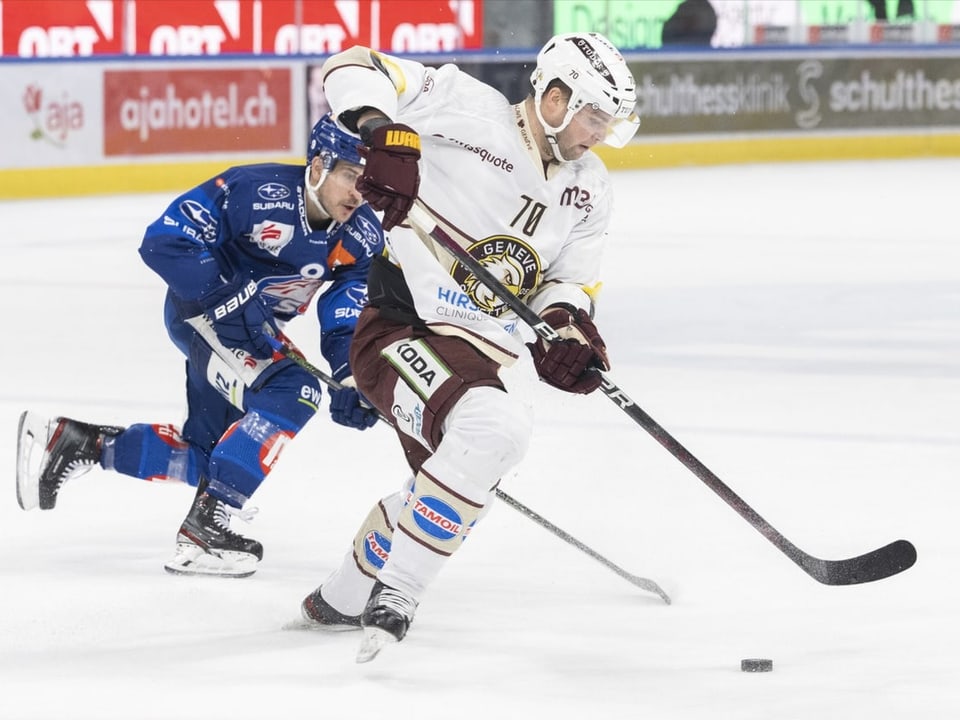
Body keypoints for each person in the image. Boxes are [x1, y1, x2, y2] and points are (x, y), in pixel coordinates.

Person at [298, 32, 638, 661]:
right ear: (556, 98)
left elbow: (568, 282)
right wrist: (384, 133)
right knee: (493, 432)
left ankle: (339, 597)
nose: (599, 133)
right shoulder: (464, 108)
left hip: (487, 356)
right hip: (402, 329)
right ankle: (396, 596)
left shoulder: (589, 187)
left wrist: (565, 329)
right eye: (594, 116)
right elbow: (352, 64)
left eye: (610, 123)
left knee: (461, 475)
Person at [16, 114, 384, 578]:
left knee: (210, 455)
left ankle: (75, 443)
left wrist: (353, 375)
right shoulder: (254, 189)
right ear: (317, 166)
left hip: (253, 331)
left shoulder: (362, 234)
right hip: (202, 315)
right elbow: (165, 241)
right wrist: (227, 295)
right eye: (351, 176)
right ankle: (206, 527)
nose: (359, 193)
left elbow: (345, 317)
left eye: (367, 181)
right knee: (295, 391)